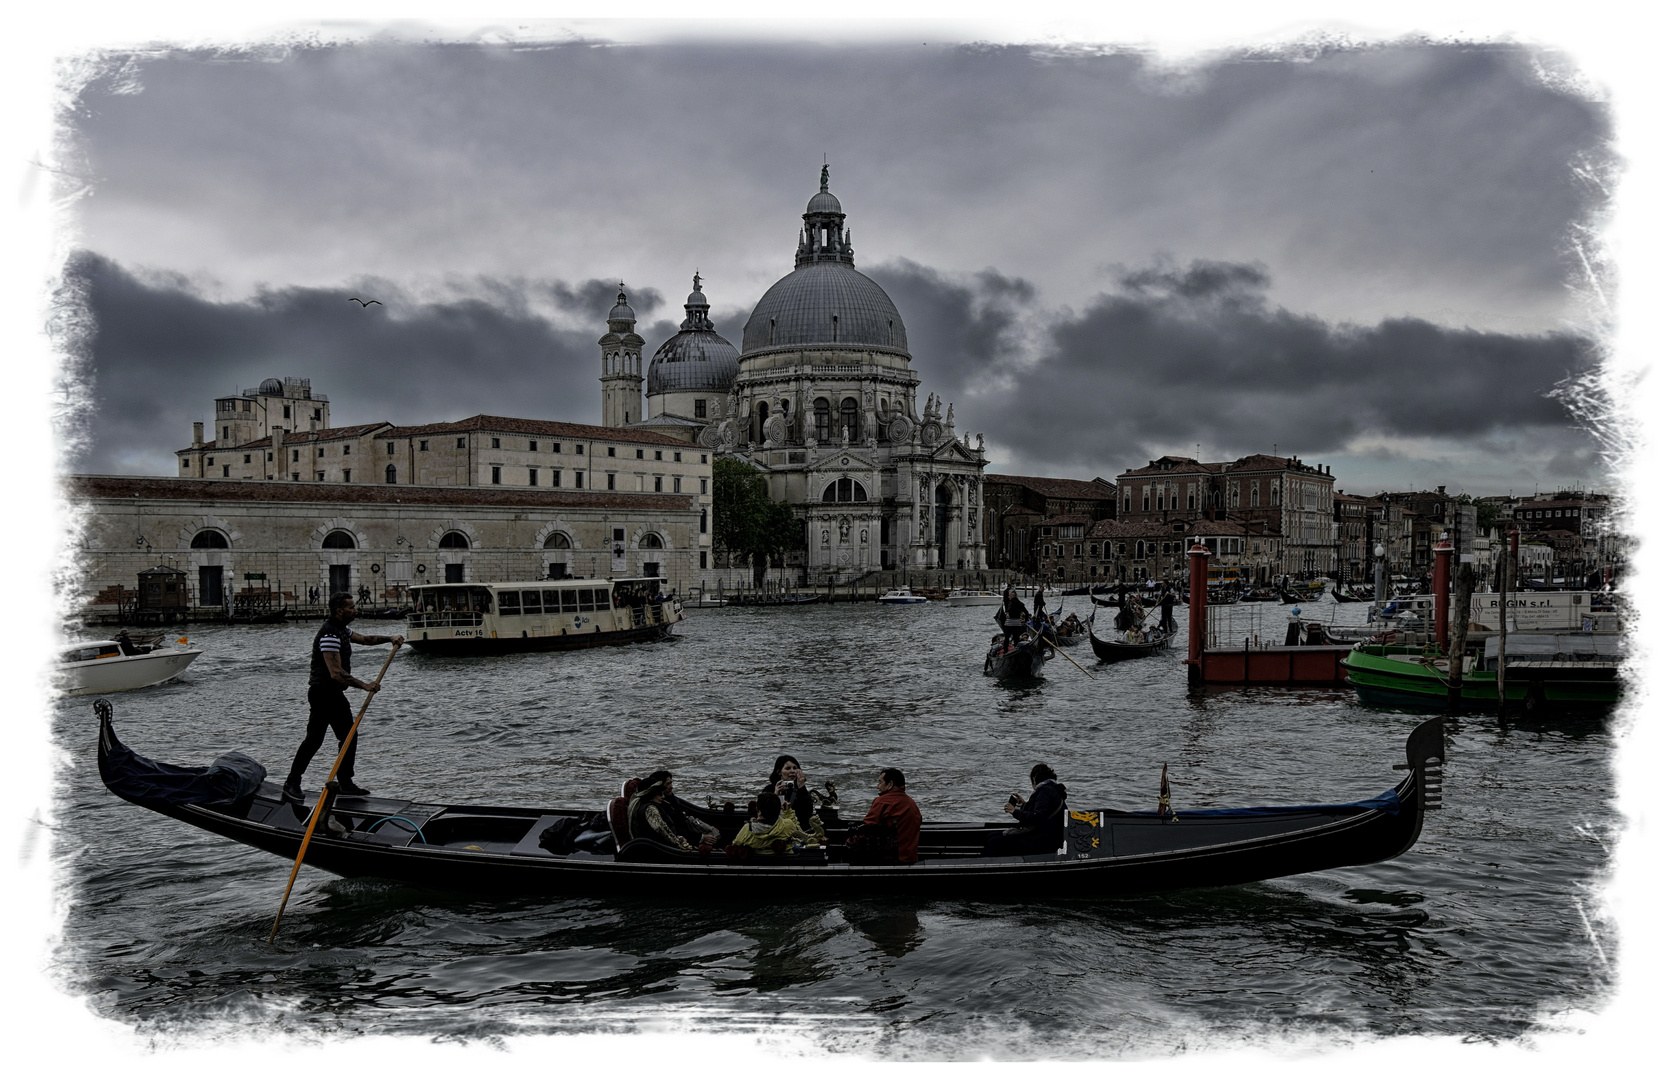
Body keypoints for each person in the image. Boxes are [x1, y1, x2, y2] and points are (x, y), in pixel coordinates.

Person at [282, 592, 404, 803]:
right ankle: (292, 783)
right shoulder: (329, 635)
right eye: (351, 607)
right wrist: (365, 686)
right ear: (340, 611)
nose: (355, 610)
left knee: (348, 736)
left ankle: (345, 783)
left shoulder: (341, 630)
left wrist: (389, 639)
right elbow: (336, 673)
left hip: (334, 694)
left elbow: (365, 640)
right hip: (322, 694)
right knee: (315, 740)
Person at [983, 763, 1068, 856]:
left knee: (993, 841)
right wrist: (1024, 805)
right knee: (992, 836)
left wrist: (1014, 812)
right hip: (1047, 837)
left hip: (1042, 841)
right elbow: (1043, 812)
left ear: (1034, 780)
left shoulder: (1045, 792)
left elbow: (1037, 817)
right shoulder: (1053, 790)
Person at [627, 770, 719, 850]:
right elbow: (660, 828)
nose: (663, 796)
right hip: (662, 850)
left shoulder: (655, 805)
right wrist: (678, 842)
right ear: (651, 794)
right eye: (659, 794)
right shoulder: (650, 809)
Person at [851, 767, 922, 864]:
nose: (877, 786)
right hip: (910, 857)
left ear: (890, 784)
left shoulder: (883, 802)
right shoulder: (912, 803)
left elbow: (868, 829)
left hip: (888, 858)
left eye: (880, 782)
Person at [764, 754, 831, 841]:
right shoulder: (769, 789)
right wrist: (775, 795)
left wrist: (801, 787)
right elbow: (764, 813)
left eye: (795, 768)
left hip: (798, 830)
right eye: (788, 768)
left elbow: (807, 812)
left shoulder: (800, 789)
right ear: (779, 771)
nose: (792, 771)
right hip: (776, 830)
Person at [730, 790, 813, 854]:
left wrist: (755, 821)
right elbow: (801, 834)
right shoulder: (788, 824)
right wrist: (789, 813)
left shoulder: (748, 828)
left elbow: (735, 844)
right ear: (778, 810)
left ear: (759, 811)